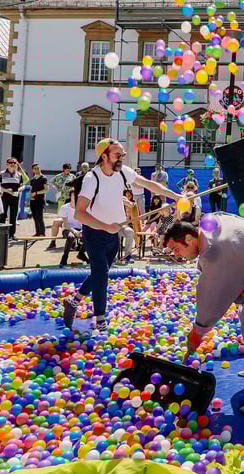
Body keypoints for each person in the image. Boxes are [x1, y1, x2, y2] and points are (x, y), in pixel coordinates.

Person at [166, 215, 244, 415]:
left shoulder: (214, 252)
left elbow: (211, 300)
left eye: (176, 249)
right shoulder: (210, 222)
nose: (176, 255)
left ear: (190, 240)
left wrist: (197, 333)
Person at [62, 139, 181, 337]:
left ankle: (74, 300)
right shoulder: (92, 178)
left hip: (114, 233)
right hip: (95, 233)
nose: (122, 158)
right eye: (118, 154)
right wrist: (104, 226)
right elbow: (80, 214)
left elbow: (149, 184)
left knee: (100, 273)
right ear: (104, 156)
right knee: (102, 274)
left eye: (123, 154)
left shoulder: (124, 172)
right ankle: (100, 320)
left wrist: (175, 196)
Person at [56, 193, 88, 267]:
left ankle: (81, 254)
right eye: (74, 195)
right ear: (70, 196)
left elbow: (85, 222)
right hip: (68, 229)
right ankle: (64, 257)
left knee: (89, 235)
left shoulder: (82, 208)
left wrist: (82, 231)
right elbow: (66, 225)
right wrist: (74, 231)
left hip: (80, 229)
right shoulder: (64, 207)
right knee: (71, 237)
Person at [0, 158, 27, 240]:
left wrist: (19, 189)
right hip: (4, 197)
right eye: (10, 163)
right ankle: (1, 234)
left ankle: (12, 234)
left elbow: (22, 185)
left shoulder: (19, 174)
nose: (13, 164)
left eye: (14, 163)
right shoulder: (1, 174)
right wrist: (6, 191)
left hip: (15, 197)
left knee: (13, 217)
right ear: (6, 164)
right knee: (3, 216)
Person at [29, 164, 48, 237]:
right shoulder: (33, 179)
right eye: (34, 168)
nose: (36, 169)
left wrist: (36, 193)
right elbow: (31, 190)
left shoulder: (43, 178)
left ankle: (42, 233)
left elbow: (46, 190)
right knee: (34, 217)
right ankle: (37, 232)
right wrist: (30, 196)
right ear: (32, 170)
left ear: (40, 169)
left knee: (39, 217)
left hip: (40, 200)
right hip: (33, 200)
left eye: (38, 168)